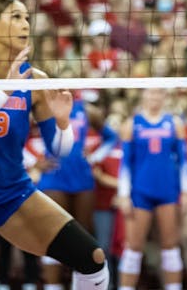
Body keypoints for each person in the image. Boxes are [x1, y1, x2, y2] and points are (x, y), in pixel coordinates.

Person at [0, 0, 109, 290]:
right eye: (15, 17)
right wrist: (3, 92)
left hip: (10, 194)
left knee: (93, 259)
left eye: (27, 19)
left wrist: (63, 122)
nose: (25, 25)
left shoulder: (35, 79)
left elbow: (58, 150)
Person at [115, 88, 187, 290]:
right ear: (143, 96)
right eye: (151, 93)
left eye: (159, 93)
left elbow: (183, 162)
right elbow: (125, 163)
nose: (154, 97)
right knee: (133, 247)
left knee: (170, 247)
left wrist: (185, 192)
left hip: (167, 190)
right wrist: (123, 195)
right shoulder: (132, 124)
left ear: (164, 97)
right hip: (140, 191)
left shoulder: (174, 123)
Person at [38, 95, 117, 290]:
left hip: (81, 177)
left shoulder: (86, 109)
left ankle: (80, 286)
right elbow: (18, 135)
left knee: (82, 237)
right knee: (52, 236)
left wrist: (95, 156)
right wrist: (33, 162)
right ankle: (53, 285)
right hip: (54, 177)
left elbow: (112, 137)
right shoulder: (43, 106)